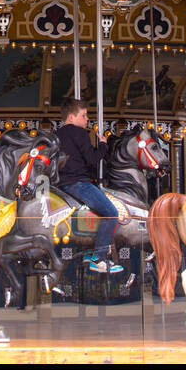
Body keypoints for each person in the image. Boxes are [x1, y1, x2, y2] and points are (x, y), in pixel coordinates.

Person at [54, 99, 121, 274]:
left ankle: (90, 252)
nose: (87, 120)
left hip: (62, 185)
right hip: (79, 184)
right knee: (112, 213)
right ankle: (98, 258)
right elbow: (92, 160)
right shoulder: (79, 133)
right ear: (71, 117)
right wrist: (103, 145)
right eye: (83, 116)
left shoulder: (56, 135)